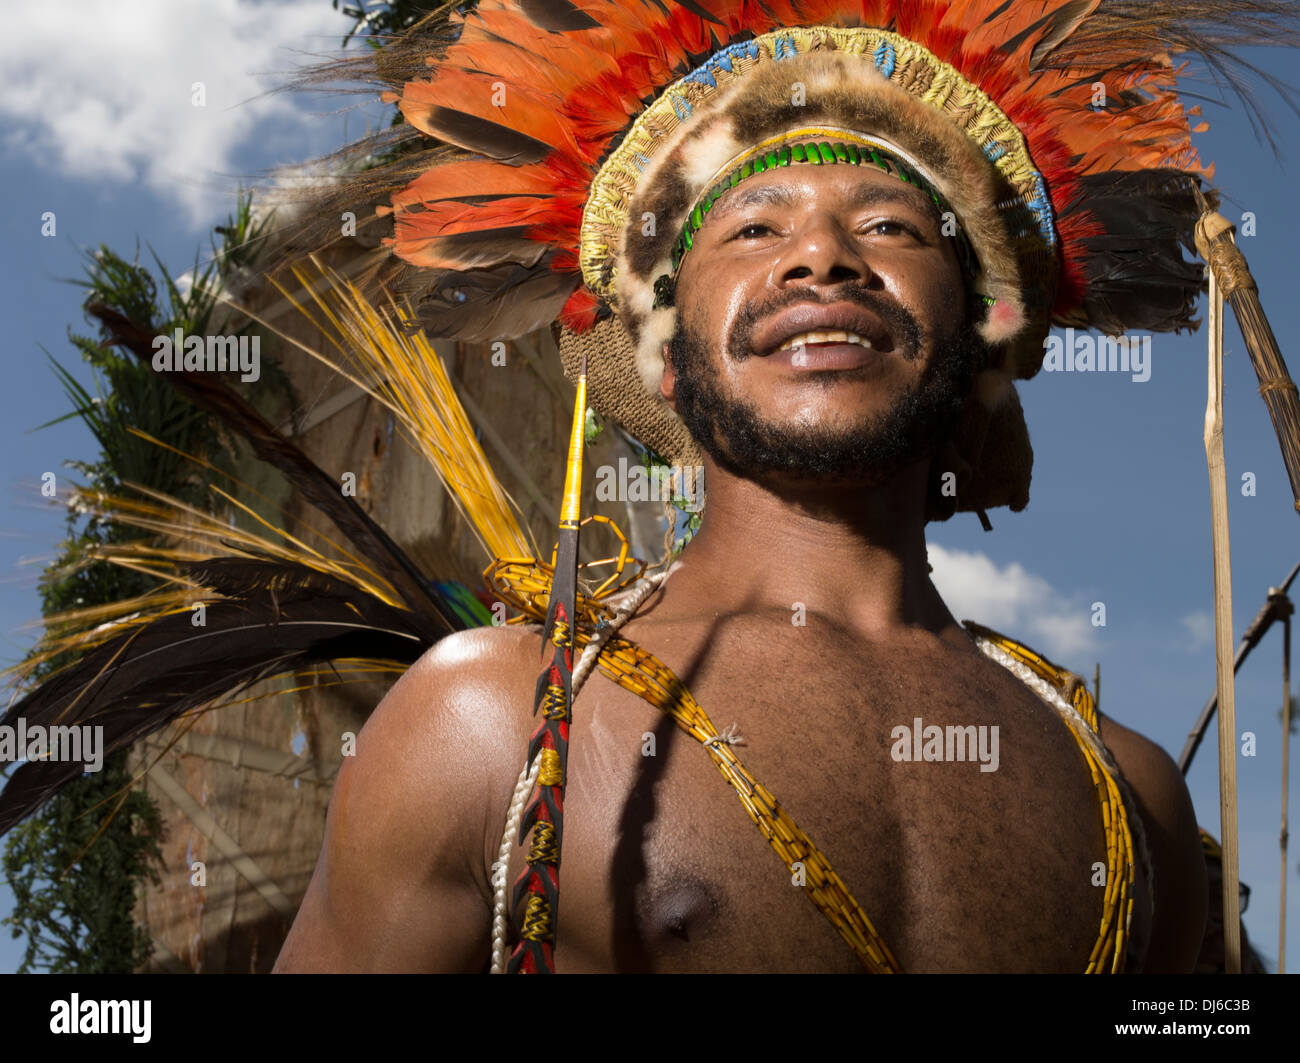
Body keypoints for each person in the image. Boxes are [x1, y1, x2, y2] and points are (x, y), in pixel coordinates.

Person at [274, 150, 1205, 974]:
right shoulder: (487, 721)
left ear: (974, 342)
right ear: (666, 356)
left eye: (890, 225)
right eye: (755, 227)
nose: (822, 255)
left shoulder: (1131, 793)